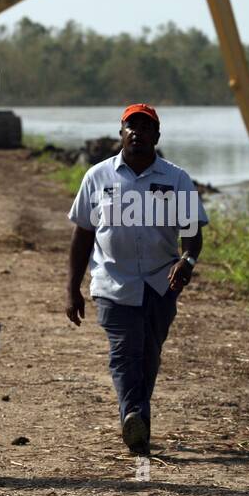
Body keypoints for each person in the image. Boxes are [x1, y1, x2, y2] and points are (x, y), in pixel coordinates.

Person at [65, 104, 208, 456]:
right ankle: (134, 417)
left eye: (145, 128)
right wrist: (72, 288)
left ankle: (136, 416)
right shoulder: (97, 177)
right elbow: (82, 236)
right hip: (113, 282)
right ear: (121, 133)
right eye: (131, 126)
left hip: (162, 283)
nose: (137, 133)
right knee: (125, 352)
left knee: (148, 354)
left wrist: (187, 260)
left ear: (157, 137)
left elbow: (192, 233)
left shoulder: (176, 179)